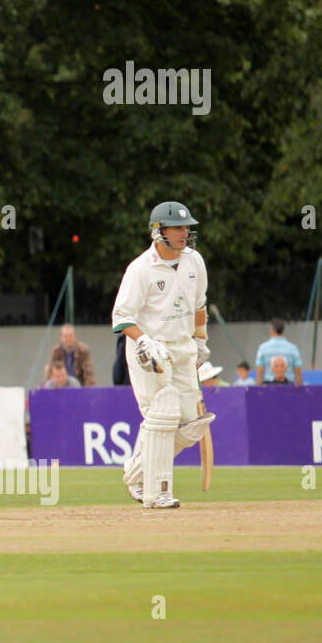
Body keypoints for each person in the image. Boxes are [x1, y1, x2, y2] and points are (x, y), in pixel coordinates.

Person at [112, 201, 213, 509]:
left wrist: (201, 341)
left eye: (186, 228)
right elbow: (122, 317)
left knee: (192, 425)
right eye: (178, 228)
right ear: (158, 231)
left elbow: (199, 308)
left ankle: (136, 471)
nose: (184, 233)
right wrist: (145, 341)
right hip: (149, 353)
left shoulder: (194, 261)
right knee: (162, 417)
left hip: (183, 349)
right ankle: (158, 491)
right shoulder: (140, 269)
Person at [254, 318, 303, 387]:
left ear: (271, 330)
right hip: (289, 388)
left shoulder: (263, 348)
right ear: (283, 330)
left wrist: (258, 390)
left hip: (269, 388)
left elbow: (260, 373)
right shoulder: (293, 348)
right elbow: (298, 373)